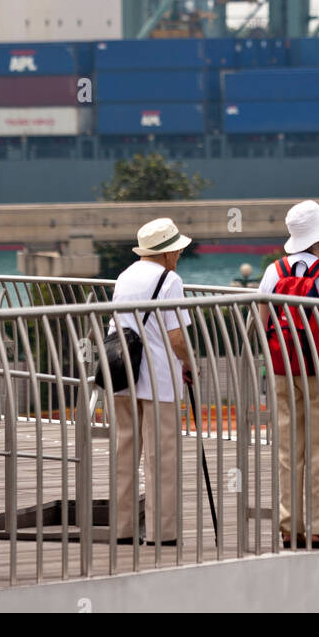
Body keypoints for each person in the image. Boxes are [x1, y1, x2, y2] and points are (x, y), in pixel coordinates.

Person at [257, 199, 319, 550]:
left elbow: (260, 319)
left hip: (283, 369)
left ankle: (290, 527)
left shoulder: (274, 271)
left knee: (289, 450)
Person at [110, 218, 193, 546]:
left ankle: (124, 528)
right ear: (168, 252)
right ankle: (163, 533)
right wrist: (189, 362)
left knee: (126, 454)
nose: (179, 256)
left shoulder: (124, 276)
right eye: (178, 250)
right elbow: (176, 337)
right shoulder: (169, 280)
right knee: (162, 458)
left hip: (123, 373)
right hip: (159, 380)